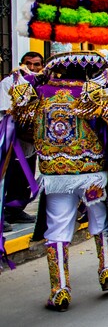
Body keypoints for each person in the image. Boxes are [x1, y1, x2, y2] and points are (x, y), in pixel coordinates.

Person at [0, 51, 43, 228]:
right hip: (12, 138)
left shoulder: (44, 83)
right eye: (28, 63)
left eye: (36, 64)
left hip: (32, 140)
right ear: (21, 64)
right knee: (8, 175)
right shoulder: (9, 82)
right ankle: (4, 213)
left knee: (26, 175)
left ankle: (16, 210)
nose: (32, 67)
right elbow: (5, 111)